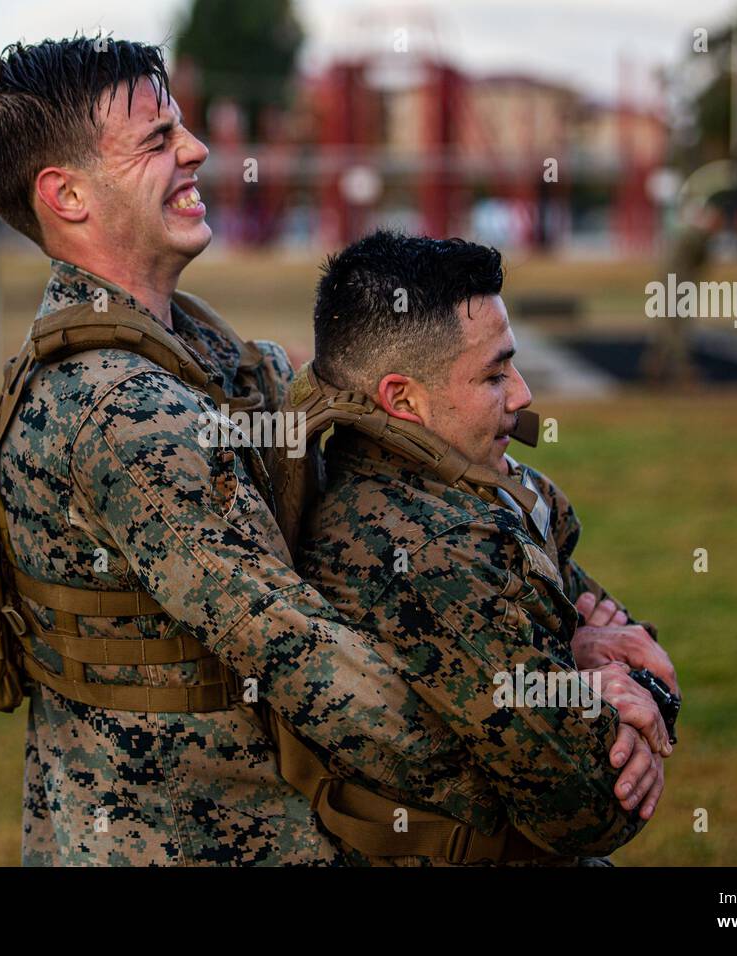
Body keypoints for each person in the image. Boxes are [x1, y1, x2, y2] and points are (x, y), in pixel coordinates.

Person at [0, 37, 472, 866]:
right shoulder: (122, 409)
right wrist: (532, 769)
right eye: (157, 141)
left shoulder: (207, 357)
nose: (196, 151)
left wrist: (585, 627)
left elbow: (397, 514)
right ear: (68, 195)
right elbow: (301, 656)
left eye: (180, 128)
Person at [284, 230, 679, 864]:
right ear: (402, 399)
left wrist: (593, 664)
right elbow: (591, 805)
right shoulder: (434, 551)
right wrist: (606, 681)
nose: (522, 396)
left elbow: (623, 632)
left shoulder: (453, 490)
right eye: (494, 374)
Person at [643, 204, 721, 386]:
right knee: (676, 330)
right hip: (676, 287)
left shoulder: (692, 236)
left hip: (673, 286)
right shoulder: (695, 238)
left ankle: (655, 368)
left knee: (667, 329)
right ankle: (681, 371)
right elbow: (700, 262)